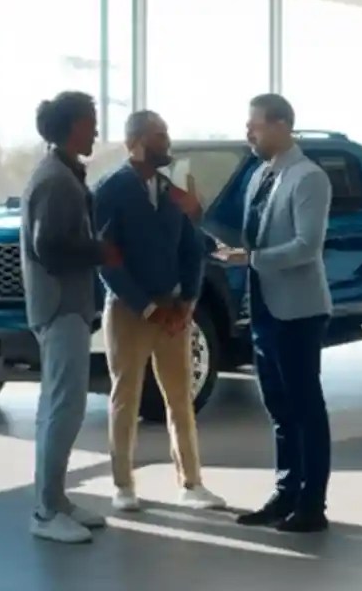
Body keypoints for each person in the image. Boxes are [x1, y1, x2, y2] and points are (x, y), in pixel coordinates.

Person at [93, 110, 226, 513]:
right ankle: (123, 486)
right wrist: (148, 308)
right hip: (130, 312)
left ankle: (191, 483)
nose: (167, 141)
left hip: (175, 311)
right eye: (159, 134)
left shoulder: (171, 192)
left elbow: (191, 247)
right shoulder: (109, 191)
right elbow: (108, 261)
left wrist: (187, 300)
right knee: (125, 397)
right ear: (136, 141)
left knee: (180, 396)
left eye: (166, 133)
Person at [21, 91, 122, 544]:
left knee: (57, 405)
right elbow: (51, 247)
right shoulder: (56, 182)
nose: (97, 131)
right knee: (64, 407)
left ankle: (57, 500)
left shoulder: (63, 174)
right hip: (60, 306)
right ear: (74, 125)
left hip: (66, 306)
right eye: (92, 121)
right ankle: (45, 511)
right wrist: (102, 250)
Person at [235, 93, 334, 534]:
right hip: (262, 307)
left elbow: (306, 246)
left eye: (254, 124)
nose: (248, 132)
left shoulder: (308, 177)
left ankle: (313, 504)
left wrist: (250, 260)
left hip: (297, 312)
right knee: (278, 406)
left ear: (281, 125)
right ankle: (286, 492)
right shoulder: (260, 175)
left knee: (305, 406)